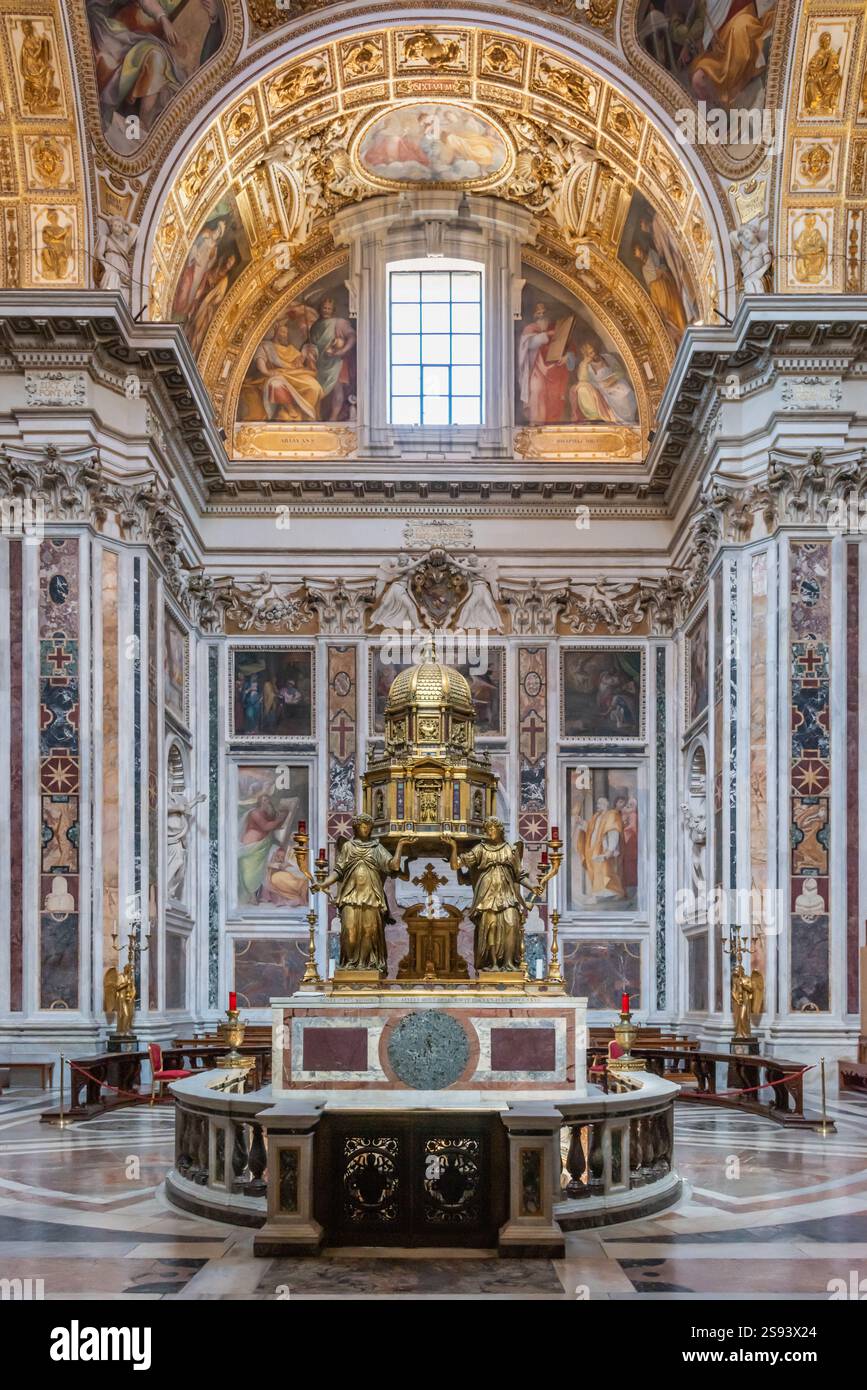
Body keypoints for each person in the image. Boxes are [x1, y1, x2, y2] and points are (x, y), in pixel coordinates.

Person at [315, 814, 416, 971]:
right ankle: (349, 965)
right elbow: (338, 871)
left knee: (370, 932)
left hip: (371, 897)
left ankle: (367, 966)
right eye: (363, 826)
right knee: (349, 931)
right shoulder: (348, 847)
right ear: (356, 828)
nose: (366, 830)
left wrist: (400, 846)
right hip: (350, 896)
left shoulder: (377, 848)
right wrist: (324, 883)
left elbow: (394, 866)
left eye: (369, 827)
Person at [445, 818, 529, 972]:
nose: (490, 831)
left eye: (492, 828)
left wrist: (533, 886)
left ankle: (509, 963)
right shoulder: (480, 849)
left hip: (507, 895)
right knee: (491, 927)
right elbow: (456, 864)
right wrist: (453, 846)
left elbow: (520, 875)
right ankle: (493, 964)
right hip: (487, 896)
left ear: (500, 829)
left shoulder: (510, 850)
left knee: (511, 924)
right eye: (487, 829)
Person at [575, 796, 626, 901]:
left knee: (604, 871)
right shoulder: (596, 817)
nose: (598, 806)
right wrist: (582, 823)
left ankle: (596, 896)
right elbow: (590, 829)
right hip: (593, 847)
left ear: (606, 804)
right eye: (597, 804)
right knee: (600, 871)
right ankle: (617, 891)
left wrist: (610, 850)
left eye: (600, 804)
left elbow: (613, 831)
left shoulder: (611, 815)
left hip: (603, 848)